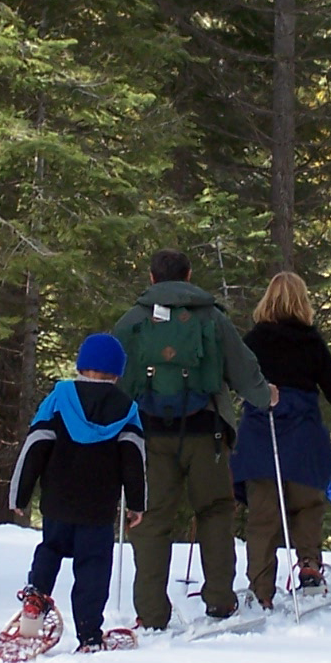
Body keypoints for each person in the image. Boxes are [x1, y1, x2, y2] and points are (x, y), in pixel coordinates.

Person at [111, 249, 278, 629]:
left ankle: (152, 613)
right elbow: (242, 368)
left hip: (148, 435)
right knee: (215, 511)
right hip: (207, 432)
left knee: (151, 518)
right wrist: (265, 395)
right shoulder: (212, 319)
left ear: (152, 278)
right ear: (189, 275)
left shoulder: (132, 321)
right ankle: (219, 600)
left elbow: (114, 378)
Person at [230, 272, 331, 607]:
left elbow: (233, 380)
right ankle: (310, 567)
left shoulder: (252, 341)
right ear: (302, 302)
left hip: (261, 437)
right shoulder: (311, 342)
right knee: (308, 506)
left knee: (263, 519)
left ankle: (261, 591)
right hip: (304, 438)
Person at [8, 334, 147, 649]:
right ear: (117, 372)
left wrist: (20, 493)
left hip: (58, 501)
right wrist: (137, 503)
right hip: (98, 509)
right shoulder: (127, 409)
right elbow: (134, 459)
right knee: (93, 569)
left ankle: (34, 602)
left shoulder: (59, 398)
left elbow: (35, 446)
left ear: (81, 365)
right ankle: (88, 635)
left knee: (50, 549)